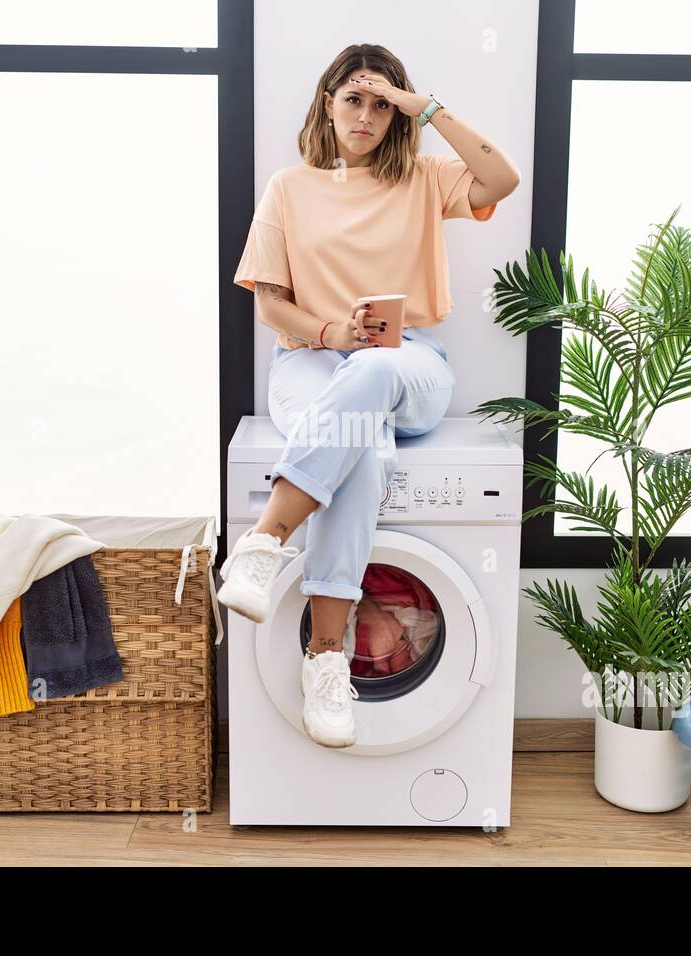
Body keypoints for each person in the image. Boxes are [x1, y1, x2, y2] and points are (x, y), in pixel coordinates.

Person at [217, 43, 519, 748]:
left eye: (382, 102)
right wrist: (333, 332)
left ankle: (263, 546)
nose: (367, 113)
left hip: (406, 364)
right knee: (364, 452)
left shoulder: (422, 178)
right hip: (311, 363)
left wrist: (426, 108)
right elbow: (271, 304)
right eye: (354, 98)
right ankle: (327, 659)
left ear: (398, 114)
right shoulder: (289, 187)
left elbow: (501, 177)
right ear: (328, 105)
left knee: (378, 372)